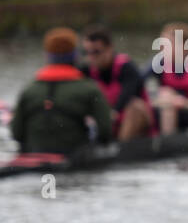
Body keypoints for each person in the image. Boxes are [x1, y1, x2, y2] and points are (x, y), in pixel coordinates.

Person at [10, 27, 113, 155]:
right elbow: (105, 131)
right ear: (75, 56)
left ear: (47, 56)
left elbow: (16, 133)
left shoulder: (28, 90)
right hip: (75, 158)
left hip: (33, 156)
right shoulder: (90, 89)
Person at [80, 24, 153, 140]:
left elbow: (125, 99)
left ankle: (121, 148)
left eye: (96, 52)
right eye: (87, 52)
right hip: (107, 122)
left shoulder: (126, 68)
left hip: (131, 119)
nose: (91, 57)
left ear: (110, 48)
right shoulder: (85, 70)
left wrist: (108, 116)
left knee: (135, 106)